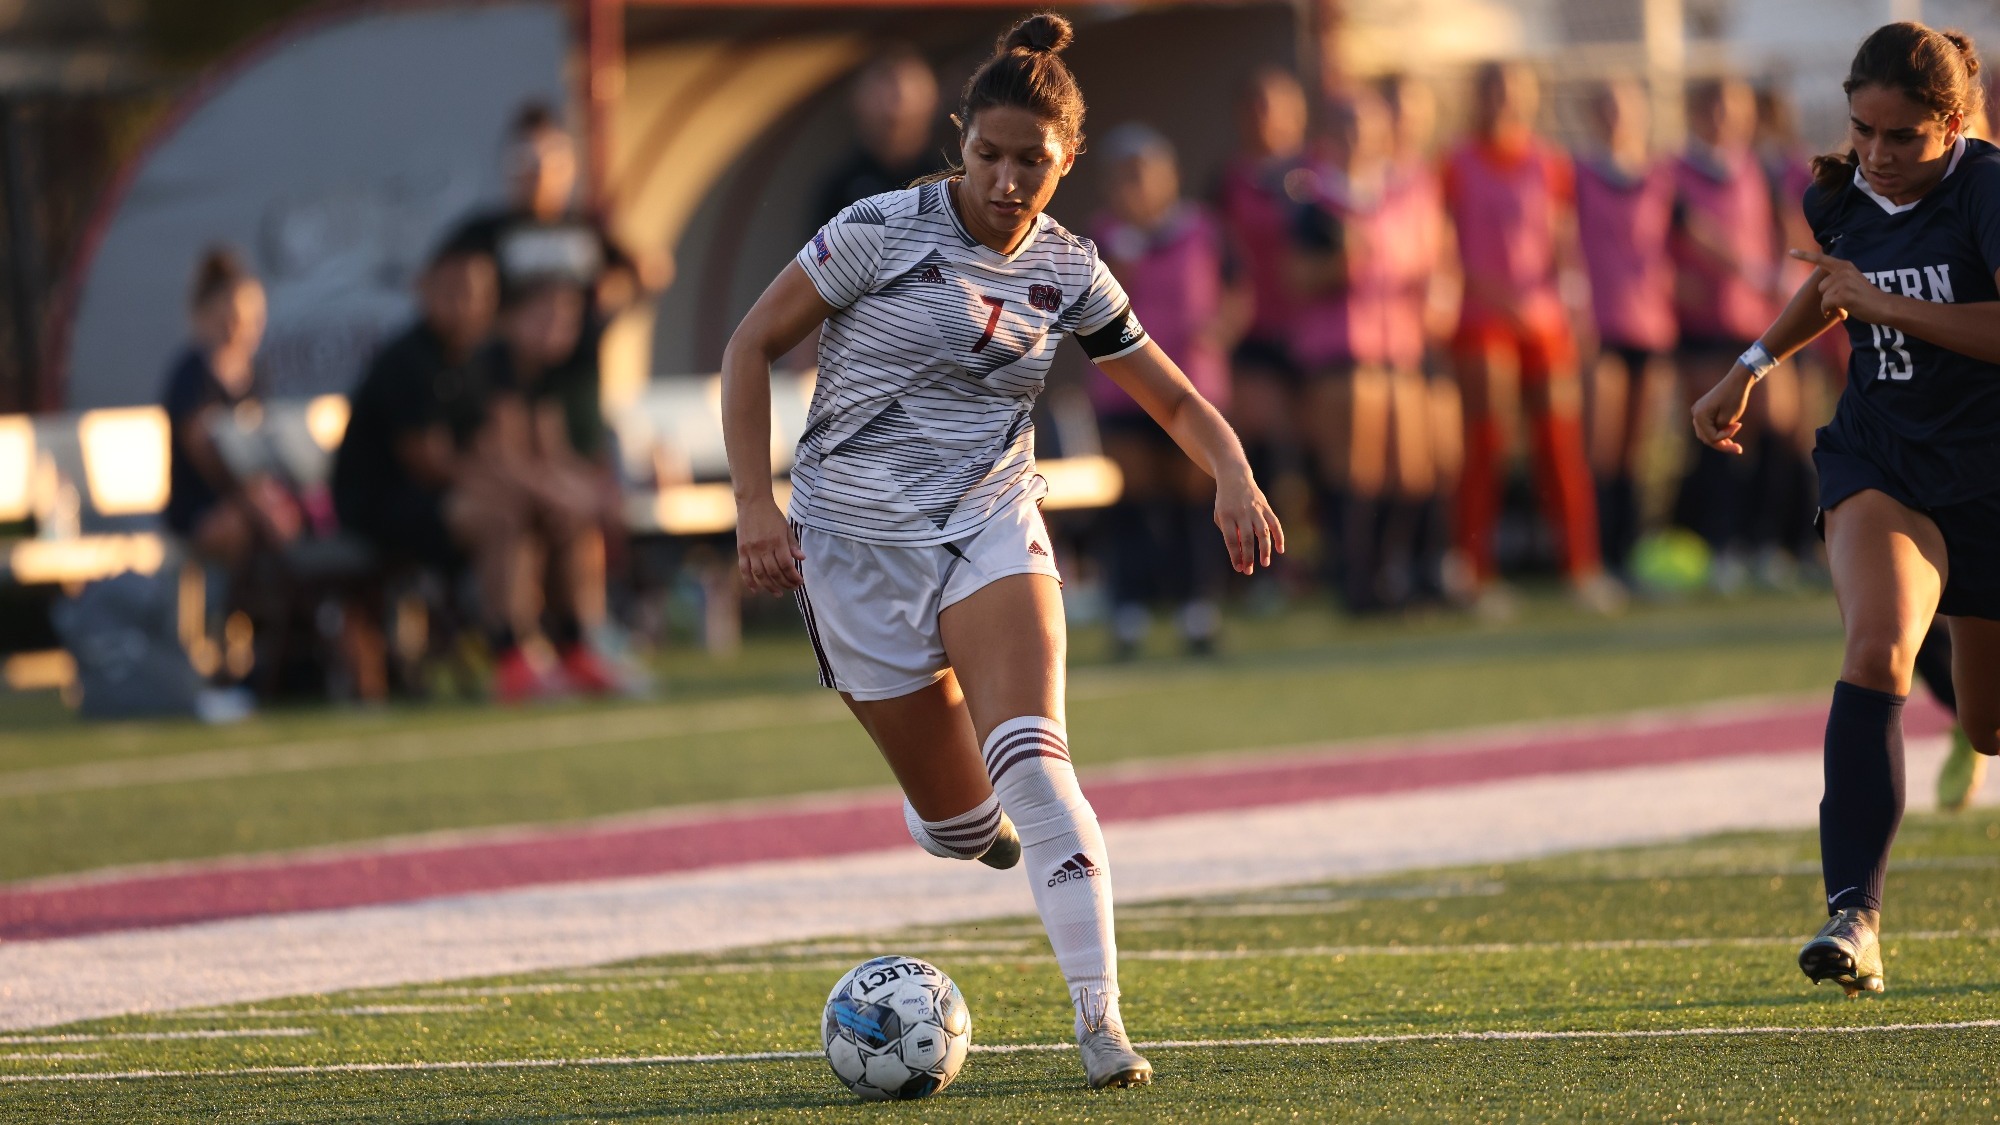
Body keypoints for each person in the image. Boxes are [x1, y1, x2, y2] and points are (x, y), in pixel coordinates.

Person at [722, 14, 1280, 1089]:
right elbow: (750, 345)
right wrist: (755, 503)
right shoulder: (878, 228)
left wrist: (1232, 470)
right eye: (990, 155)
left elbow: (1166, 390)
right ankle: (961, 822)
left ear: (1066, 162)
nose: (1008, 179)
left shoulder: (1070, 271)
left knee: (1037, 763)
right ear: (960, 141)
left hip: (987, 521)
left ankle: (1100, 1022)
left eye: (1033, 162)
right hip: (852, 545)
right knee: (963, 823)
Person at [1692, 20, 2000, 997]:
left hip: (1989, 473)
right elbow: (1832, 292)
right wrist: (1747, 368)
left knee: (1990, 727)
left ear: (1949, 125)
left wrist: (1886, 306)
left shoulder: (1986, 189)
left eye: (1900, 136)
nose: (1876, 154)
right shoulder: (1834, 194)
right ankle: (1851, 918)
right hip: (1881, 457)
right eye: (1861, 130)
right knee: (1875, 649)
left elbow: (1877, 300)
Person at [1442, 61, 1618, 614]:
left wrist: (1575, 308)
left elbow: (1563, 243)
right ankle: (1474, 572)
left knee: (1561, 445)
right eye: (1492, 92)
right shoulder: (1455, 164)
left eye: (1514, 93)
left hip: (1543, 322)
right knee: (1486, 444)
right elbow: (1445, 247)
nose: (1503, 103)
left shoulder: (1549, 163)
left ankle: (1581, 566)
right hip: (1480, 320)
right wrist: (1493, 297)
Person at [332, 236, 530, 697]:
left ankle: (561, 640)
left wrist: (529, 485)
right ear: (427, 292)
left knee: (523, 512)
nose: (470, 305)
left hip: (430, 501)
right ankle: (506, 653)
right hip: (377, 507)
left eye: (482, 293)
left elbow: (492, 445)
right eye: (457, 292)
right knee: (498, 518)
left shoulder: (474, 361)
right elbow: (427, 462)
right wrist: (502, 486)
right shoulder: (407, 360)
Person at [1088, 124, 1249, 654]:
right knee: (1134, 502)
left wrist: (1220, 329)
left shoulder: (1202, 228)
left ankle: (1196, 610)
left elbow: (1237, 289)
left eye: (1145, 174)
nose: (1136, 186)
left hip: (1193, 386)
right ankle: (1130, 612)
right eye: (1125, 175)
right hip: (1124, 391)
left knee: (1193, 500)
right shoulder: (1101, 240)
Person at [450, 103, 665, 464]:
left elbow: (648, 272)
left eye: (549, 162)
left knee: (580, 476)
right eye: (525, 163)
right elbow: (442, 289)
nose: (537, 176)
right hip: (507, 390)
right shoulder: (484, 233)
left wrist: (601, 314)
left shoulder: (584, 230)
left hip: (576, 385)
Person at [1672, 77, 1814, 591]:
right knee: (1720, 436)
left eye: (1732, 108)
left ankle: (1768, 543)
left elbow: (1786, 229)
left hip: (1761, 326)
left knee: (1778, 427)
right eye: (1711, 106)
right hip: (1707, 327)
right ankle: (1720, 545)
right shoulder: (1677, 173)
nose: (1722, 118)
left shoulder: (1761, 170)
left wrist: (1787, 272)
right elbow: (1679, 233)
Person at [472, 277, 623, 702]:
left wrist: (596, 492)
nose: (556, 329)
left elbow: (550, 453)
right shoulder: (493, 362)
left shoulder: (542, 371)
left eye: (567, 320)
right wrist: (564, 494)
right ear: (510, 317)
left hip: (498, 489)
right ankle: (513, 654)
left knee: (572, 514)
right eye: (544, 316)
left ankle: (579, 646)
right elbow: (501, 459)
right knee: (513, 515)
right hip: (435, 501)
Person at [1287, 86, 1407, 612]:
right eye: (1348, 126)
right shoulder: (1314, 199)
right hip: (1337, 348)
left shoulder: (1393, 193)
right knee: (1349, 470)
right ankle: (1353, 584)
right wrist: (1346, 259)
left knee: (1396, 470)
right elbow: (1296, 276)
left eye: (1368, 126)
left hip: (1393, 345)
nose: (1359, 138)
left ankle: (1385, 577)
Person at [1573, 77, 1677, 579]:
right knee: (1602, 447)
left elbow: (1692, 236)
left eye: (1626, 108)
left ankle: (1630, 555)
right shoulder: (1577, 175)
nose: (1618, 118)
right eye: (1608, 108)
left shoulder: (1659, 177)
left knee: (1637, 452)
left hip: (1651, 324)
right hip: (1600, 323)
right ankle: (1595, 557)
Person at [1214, 67, 1311, 539]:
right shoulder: (1227, 183)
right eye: (1256, 107)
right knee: (1266, 439)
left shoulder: (1319, 177)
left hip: (1318, 331)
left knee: (1320, 446)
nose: (1266, 118)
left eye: (1276, 107)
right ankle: (1270, 560)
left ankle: (1325, 556)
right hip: (1256, 333)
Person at [160, 248, 298, 572]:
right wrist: (256, 504)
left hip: (248, 500)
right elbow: (208, 458)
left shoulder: (254, 377)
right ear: (209, 316)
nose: (244, 330)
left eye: (253, 321)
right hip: (199, 507)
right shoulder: (191, 375)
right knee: (238, 529)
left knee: (289, 522)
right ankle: (225, 615)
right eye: (233, 319)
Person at [816, 47, 946, 223]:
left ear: (933, 99)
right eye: (883, 88)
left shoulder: (952, 183)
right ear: (857, 100)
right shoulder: (839, 188)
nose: (893, 108)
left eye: (910, 89)